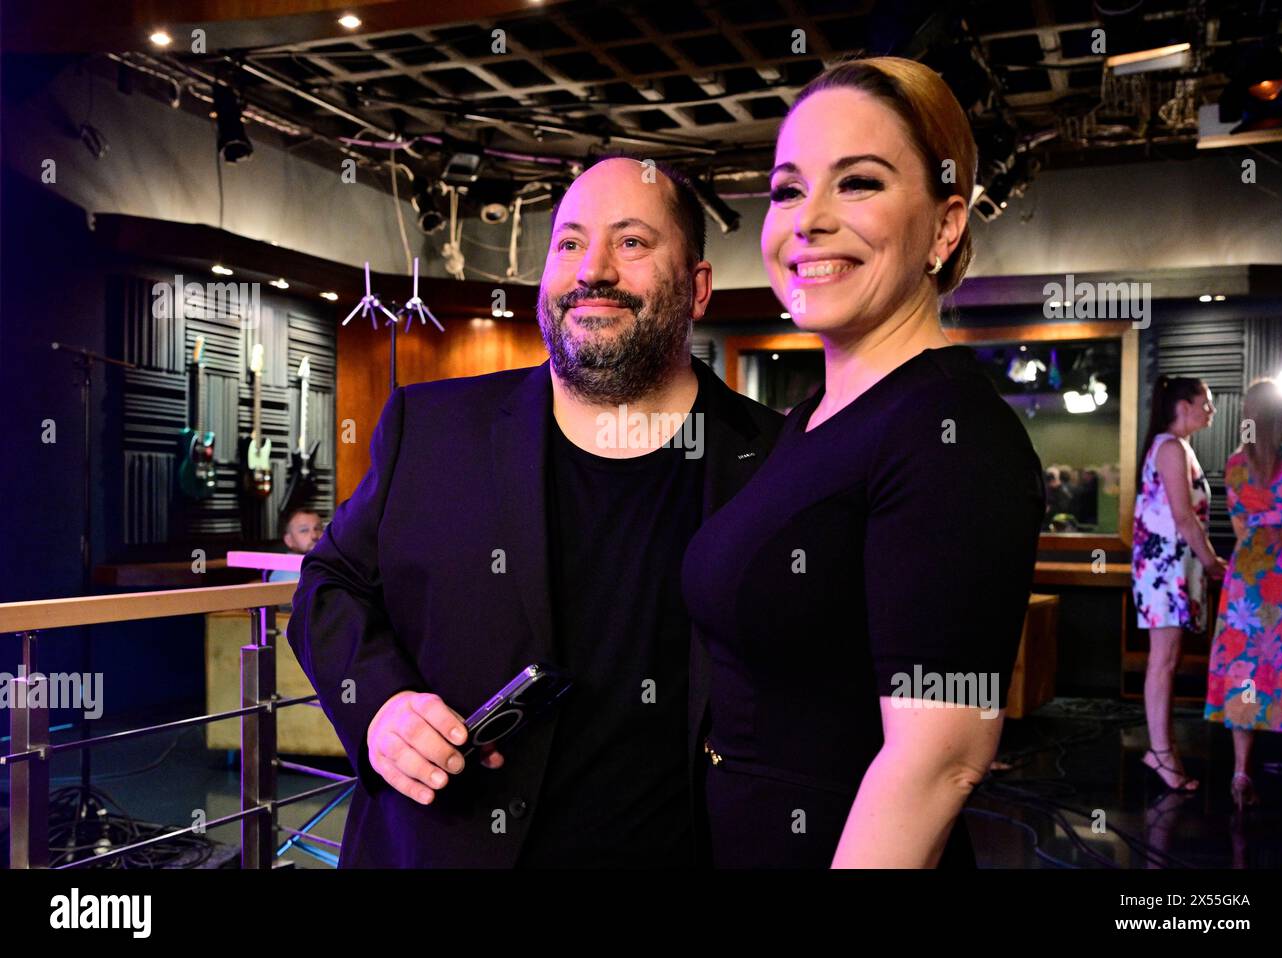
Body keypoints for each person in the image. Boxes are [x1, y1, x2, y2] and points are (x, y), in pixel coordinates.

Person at [286, 157, 783, 867]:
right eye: (570, 244)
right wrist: (380, 707)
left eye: (633, 242)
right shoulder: (431, 430)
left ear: (698, 289)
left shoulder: (774, 460)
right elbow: (328, 583)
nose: (593, 271)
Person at [681, 57, 1045, 868]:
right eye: (786, 189)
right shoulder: (809, 420)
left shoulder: (953, 432)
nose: (807, 220)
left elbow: (941, 760)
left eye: (858, 183)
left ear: (946, 227)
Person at [1203, 378, 1282, 809]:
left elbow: (1240, 526)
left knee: (1245, 668)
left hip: (1247, 574)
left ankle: (1241, 772)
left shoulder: (1236, 462)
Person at [1132, 374, 1226, 792]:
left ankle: (1161, 749)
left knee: (1167, 661)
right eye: (1205, 403)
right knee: (1164, 661)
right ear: (1182, 406)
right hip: (1165, 570)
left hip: (1171, 568)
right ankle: (1161, 754)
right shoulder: (1170, 448)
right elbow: (1184, 517)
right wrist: (1211, 562)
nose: (1211, 411)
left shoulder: (1177, 447)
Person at [269, 507, 322, 584]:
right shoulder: (288, 576)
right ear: (289, 540)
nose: (314, 536)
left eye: (318, 528)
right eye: (304, 530)